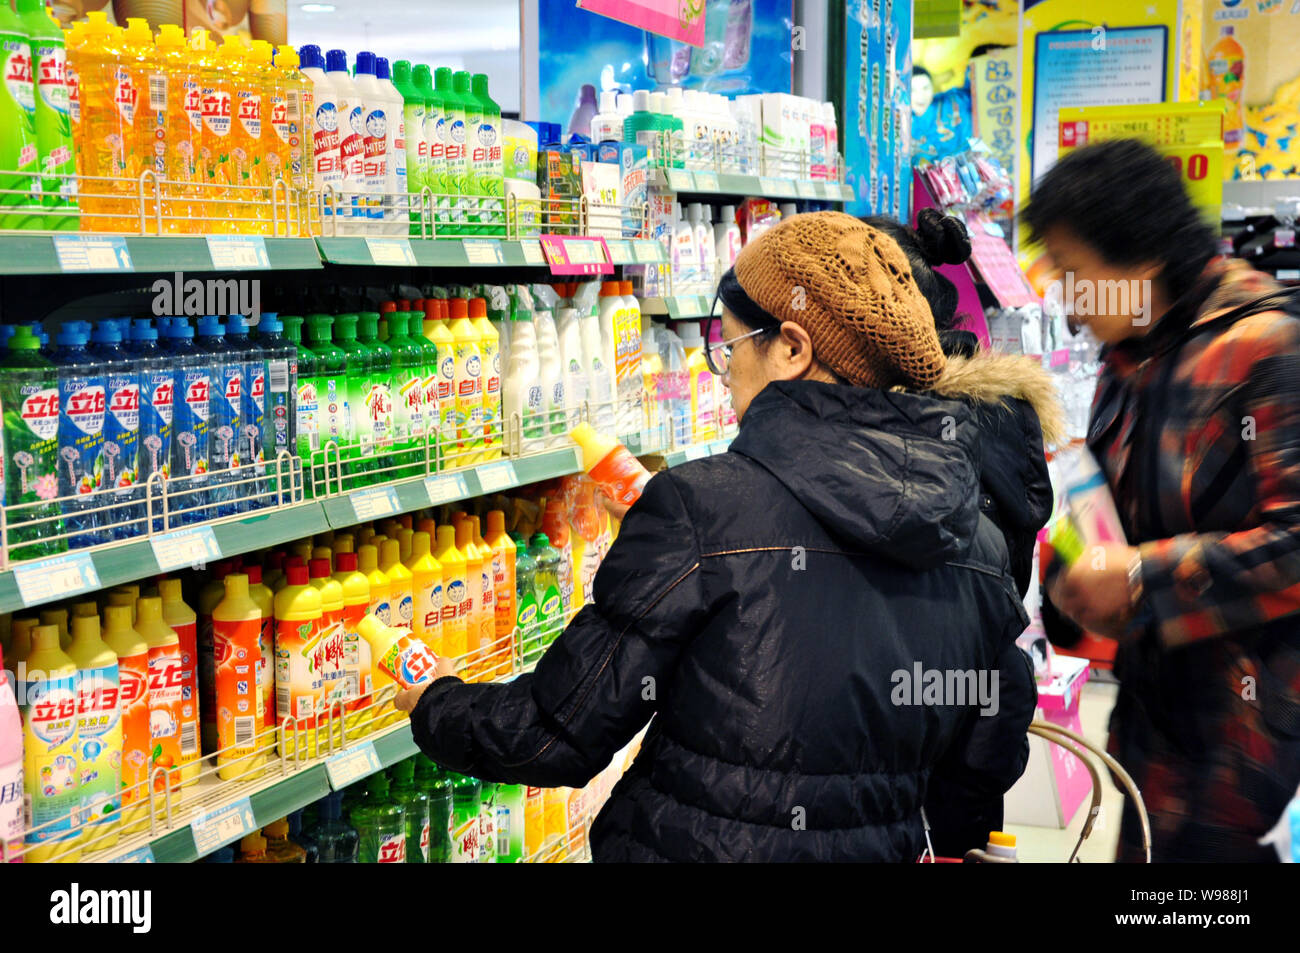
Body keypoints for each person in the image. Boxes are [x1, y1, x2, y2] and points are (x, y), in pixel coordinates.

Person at [396, 212, 1036, 862]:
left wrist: (437, 703)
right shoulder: (978, 543)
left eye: (730, 345)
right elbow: (990, 746)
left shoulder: (703, 508)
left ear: (791, 347)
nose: (721, 370)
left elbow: (558, 732)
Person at [1025, 138, 1300, 862]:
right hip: (1153, 727)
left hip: (1253, 739)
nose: (1065, 298)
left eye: (1073, 272)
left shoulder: (1265, 348)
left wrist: (1145, 575)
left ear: (1141, 263)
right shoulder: (1128, 358)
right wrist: (1069, 587)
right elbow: (1111, 515)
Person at [865, 208, 1063, 857]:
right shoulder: (1006, 411)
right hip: (979, 727)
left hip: (884, 741)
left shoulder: (885, 421)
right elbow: (1011, 575)